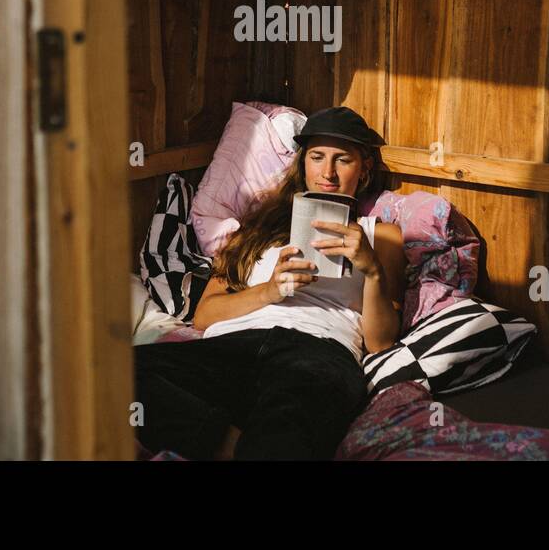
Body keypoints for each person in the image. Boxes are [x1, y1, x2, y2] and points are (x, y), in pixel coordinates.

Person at [133, 107, 407, 460]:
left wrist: (371, 270)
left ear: (364, 167)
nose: (327, 172)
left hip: (316, 350)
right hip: (234, 347)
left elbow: (381, 341)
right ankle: (229, 447)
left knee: (290, 425)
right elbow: (204, 317)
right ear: (303, 162)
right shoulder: (256, 228)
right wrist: (269, 290)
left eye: (343, 159)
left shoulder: (381, 236)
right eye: (317, 157)